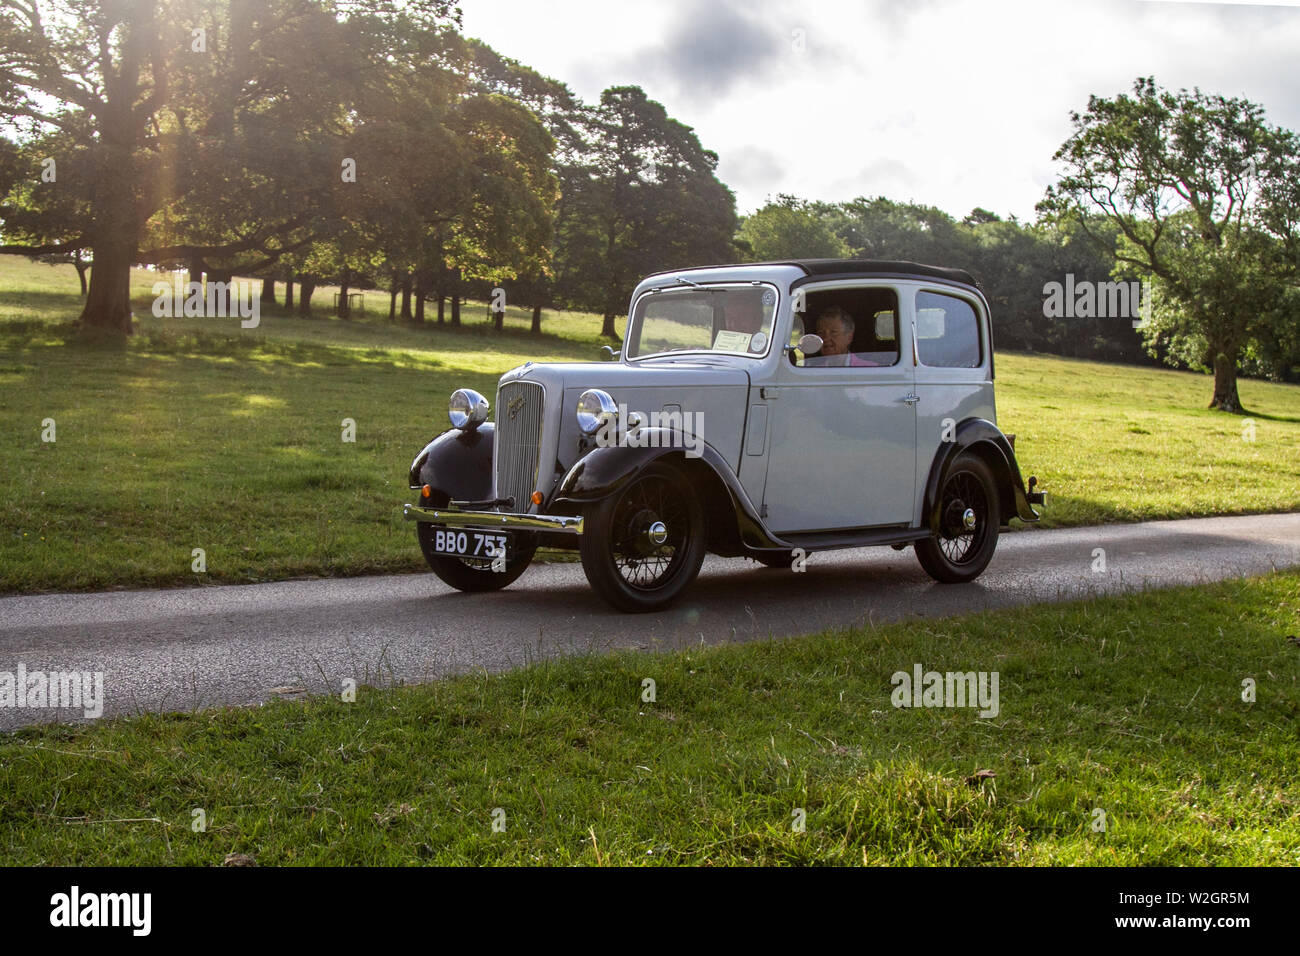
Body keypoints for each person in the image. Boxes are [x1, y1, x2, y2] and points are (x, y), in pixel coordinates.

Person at [805, 306, 878, 366]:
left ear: (849, 337)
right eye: (821, 333)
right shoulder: (813, 370)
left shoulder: (869, 368)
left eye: (833, 332)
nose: (826, 338)